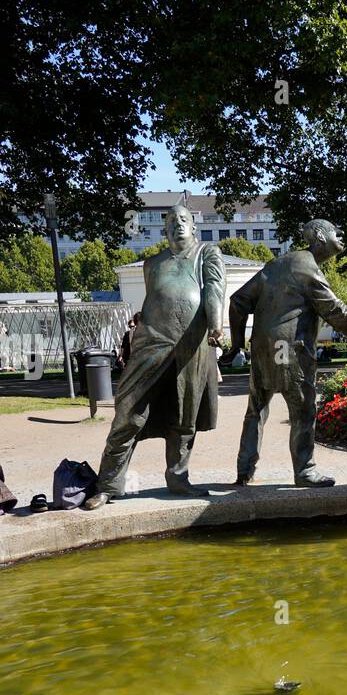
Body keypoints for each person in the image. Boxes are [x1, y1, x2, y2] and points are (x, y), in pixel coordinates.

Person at [226, 219, 347, 488]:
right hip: (290, 349)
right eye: (335, 230)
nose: (342, 232)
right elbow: (337, 314)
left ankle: (244, 470)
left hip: (263, 348)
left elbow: (238, 301)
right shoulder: (306, 267)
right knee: (303, 411)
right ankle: (305, 470)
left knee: (256, 410)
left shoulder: (278, 264)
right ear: (319, 236)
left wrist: (235, 345)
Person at [83, 205, 225, 508]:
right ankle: (107, 484)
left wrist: (215, 324)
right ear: (164, 230)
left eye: (184, 220)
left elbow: (214, 288)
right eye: (171, 222)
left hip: (192, 343)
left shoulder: (206, 253)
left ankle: (178, 477)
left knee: (185, 414)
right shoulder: (152, 263)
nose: (177, 226)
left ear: (194, 227)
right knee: (128, 411)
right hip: (151, 342)